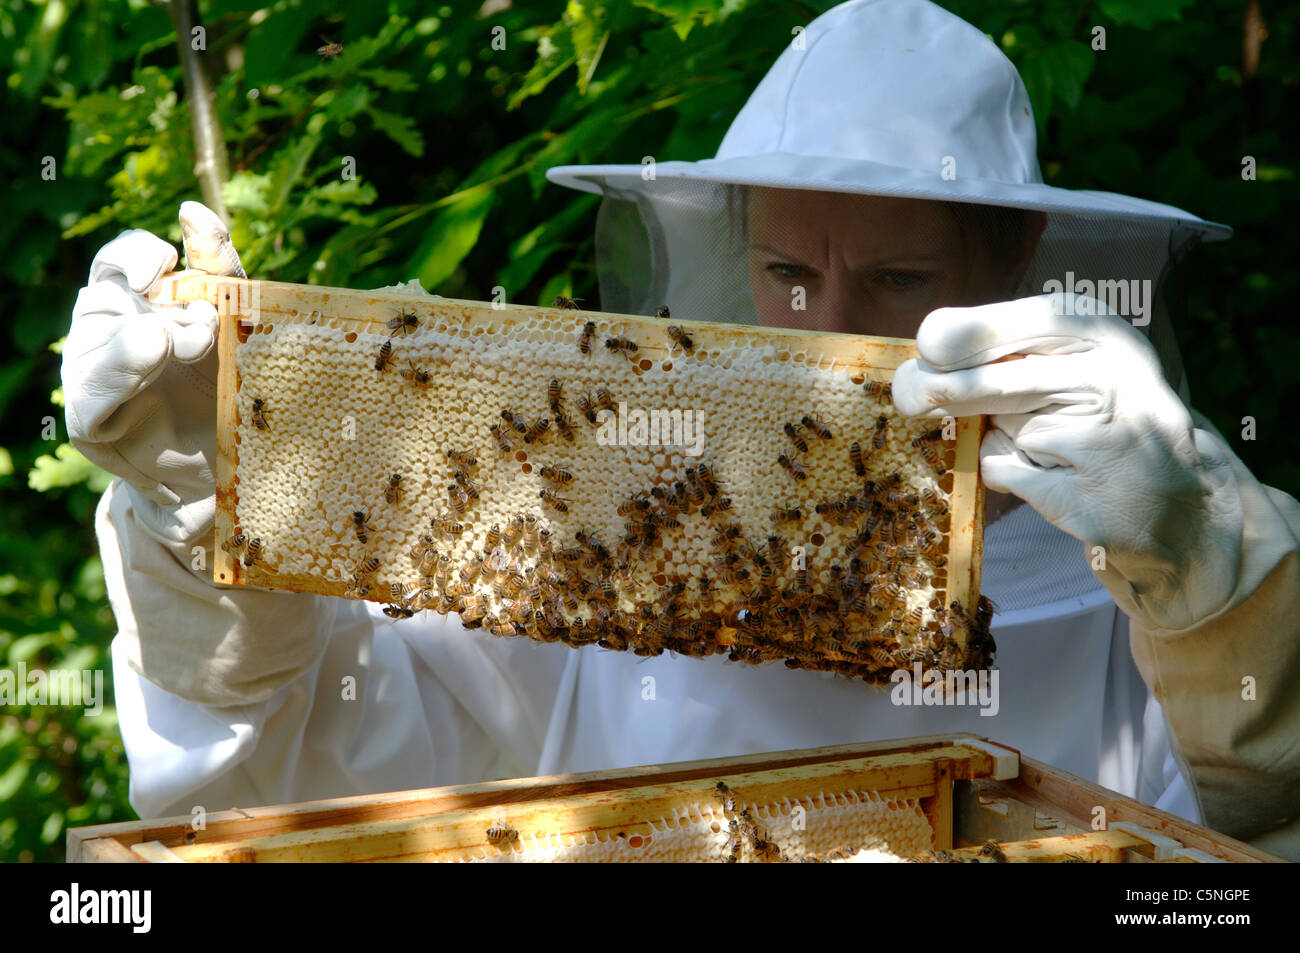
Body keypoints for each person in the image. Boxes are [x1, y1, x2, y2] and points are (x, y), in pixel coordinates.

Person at [62, 0, 1299, 858]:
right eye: (784, 269)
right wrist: (210, 503)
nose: (832, 328)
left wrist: (1216, 576)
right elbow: (303, 780)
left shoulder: (1133, 569)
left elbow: (1256, 837)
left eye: (899, 277)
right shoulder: (607, 528)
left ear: (1016, 252)